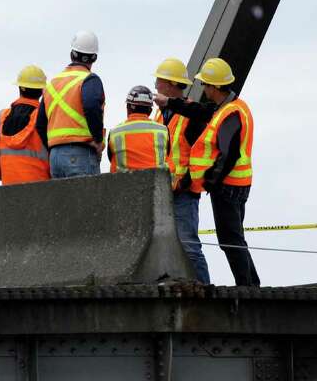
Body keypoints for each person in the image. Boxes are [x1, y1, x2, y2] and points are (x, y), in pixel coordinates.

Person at [158, 57, 260, 287]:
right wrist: (172, 103)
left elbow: (229, 153)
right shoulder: (226, 109)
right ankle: (251, 284)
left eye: (205, 84)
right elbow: (199, 111)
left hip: (228, 187)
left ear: (214, 87)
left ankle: (247, 287)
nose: (203, 88)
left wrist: (211, 181)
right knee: (234, 239)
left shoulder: (230, 113)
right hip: (234, 185)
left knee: (229, 239)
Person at [150, 58, 212, 284]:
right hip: (165, 191)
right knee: (167, 247)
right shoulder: (159, 116)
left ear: (170, 84)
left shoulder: (191, 115)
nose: (156, 85)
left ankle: (207, 292)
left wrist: (187, 178)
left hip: (184, 191)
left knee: (189, 246)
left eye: (159, 81)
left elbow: (203, 153)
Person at [40, 30, 105, 178]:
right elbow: (90, 106)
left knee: (63, 201)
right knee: (87, 200)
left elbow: (40, 124)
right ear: (94, 57)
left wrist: (53, 147)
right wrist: (98, 140)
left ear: (72, 54)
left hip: (55, 156)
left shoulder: (52, 84)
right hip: (80, 153)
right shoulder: (89, 80)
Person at [0, 65, 51, 185]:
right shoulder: (46, 118)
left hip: (11, 191)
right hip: (42, 190)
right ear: (42, 91)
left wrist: (8, 176)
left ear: (19, 87)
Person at [106, 86, 169, 173]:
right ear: (150, 111)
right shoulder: (163, 131)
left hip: (124, 184)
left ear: (128, 108)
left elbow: (111, 158)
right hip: (157, 184)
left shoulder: (115, 133)